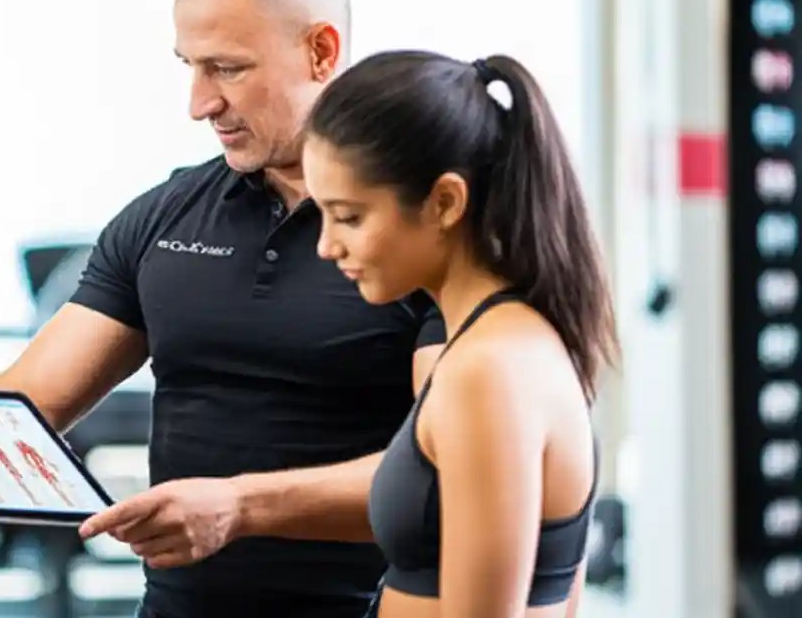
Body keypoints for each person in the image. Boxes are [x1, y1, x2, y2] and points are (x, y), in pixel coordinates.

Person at [0, 0, 447, 616]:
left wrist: (240, 507)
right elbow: (30, 398)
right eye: (190, 65)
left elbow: (449, 475)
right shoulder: (164, 217)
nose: (199, 102)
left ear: (321, 52)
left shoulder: (425, 234)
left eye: (227, 69)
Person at [85, 50, 617, 617]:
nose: (326, 245)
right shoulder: (520, 345)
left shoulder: (487, 371)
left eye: (350, 217)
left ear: (444, 203)